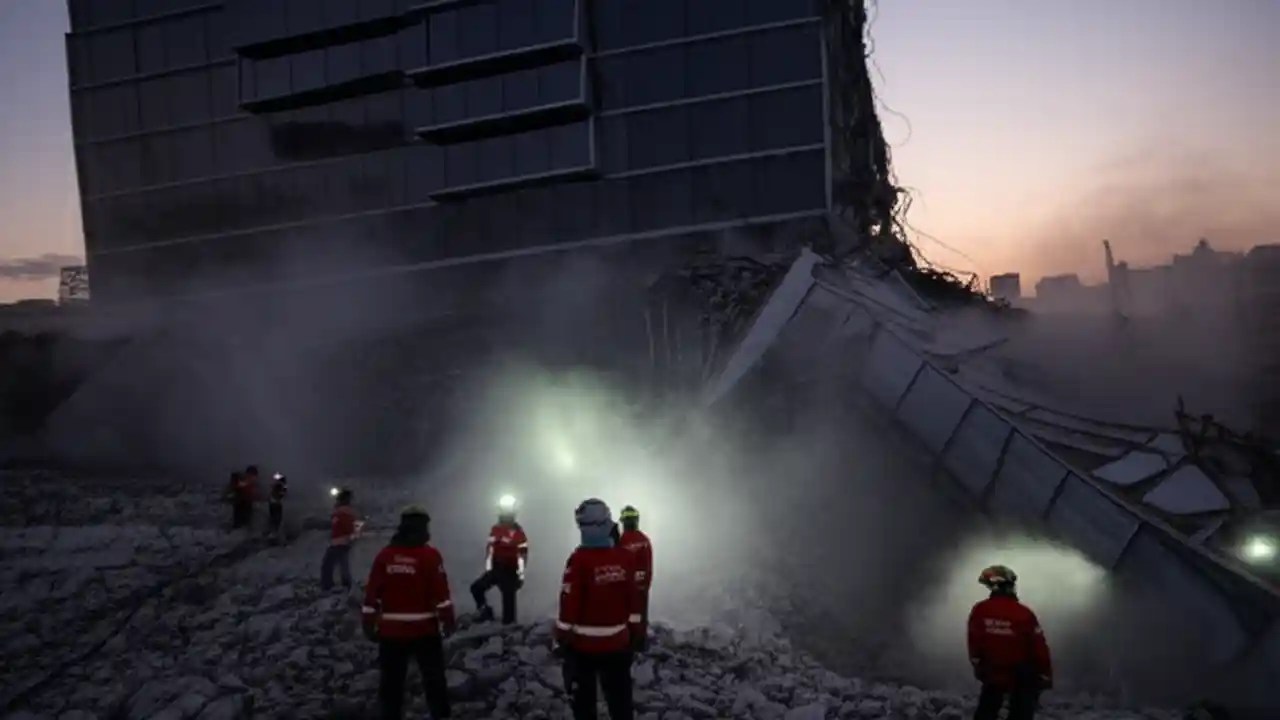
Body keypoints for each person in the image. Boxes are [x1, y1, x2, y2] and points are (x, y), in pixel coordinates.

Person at [363, 505, 455, 720]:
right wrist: (448, 621)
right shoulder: (430, 556)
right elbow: (441, 593)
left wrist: (368, 623)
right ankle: (440, 715)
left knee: (391, 683)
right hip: (425, 631)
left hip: (391, 633)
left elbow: (372, 594)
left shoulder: (385, 556)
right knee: (433, 680)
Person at [556, 498, 641, 720]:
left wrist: (561, 638)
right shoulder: (625, 558)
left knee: (584, 706)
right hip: (618, 645)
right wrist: (635, 633)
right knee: (621, 704)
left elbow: (569, 605)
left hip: (583, 649)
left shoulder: (578, 561)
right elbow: (634, 600)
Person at [968, 565, 1053, 720]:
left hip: (992, 674)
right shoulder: (1024, 613)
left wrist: (979, 666)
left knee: (986, 712)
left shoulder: (980, 610)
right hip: (1022, 676)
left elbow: (974, 643)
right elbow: (1039, 646)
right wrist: (1045, 674)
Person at [470, 497, 528, 624]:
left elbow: (522, 556)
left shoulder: (518, 532)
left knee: (508, 605)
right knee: (476, 588)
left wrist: (520, 576)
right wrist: (489, 569)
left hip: (510, 572)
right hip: (496, 568)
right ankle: (485, 611)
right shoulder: (495, 529)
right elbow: (490, 549)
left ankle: (510, 629)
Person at [617, 505, 653, 650]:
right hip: (641, 587)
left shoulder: (620, 541)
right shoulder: (644, 540)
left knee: (626, 617)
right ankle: (639, 644)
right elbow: (649, 566)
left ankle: (626, 646)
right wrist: (645, 586)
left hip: (625, 589)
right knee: (640, 617)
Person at [322, 488, 357, 590]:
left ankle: (328, 586)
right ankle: (346, 584)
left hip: (339, 542)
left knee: (328, 565)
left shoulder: (342, 512)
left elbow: (343, 527)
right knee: (343, 564)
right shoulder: (347, 512)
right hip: (343, 542)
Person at [266, 472, 287, 540]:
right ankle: (274, 533)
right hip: (276, 504)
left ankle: (273, 533)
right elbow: (280, 494)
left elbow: (278, 494)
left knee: (275, 518)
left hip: (274, 503)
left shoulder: (279, 486)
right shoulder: (280, 486)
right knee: (276, 519)